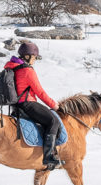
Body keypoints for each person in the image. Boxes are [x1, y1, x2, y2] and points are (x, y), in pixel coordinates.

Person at [5, 41, 65, 170]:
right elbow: (40, 92)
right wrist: (54, 105)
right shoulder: (27, 70)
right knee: (53, 121)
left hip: (17, 105)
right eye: (34, 57)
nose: (35, 60)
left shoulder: (13, 67)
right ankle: (48, 157)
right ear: (27, 56)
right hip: (28, 103)